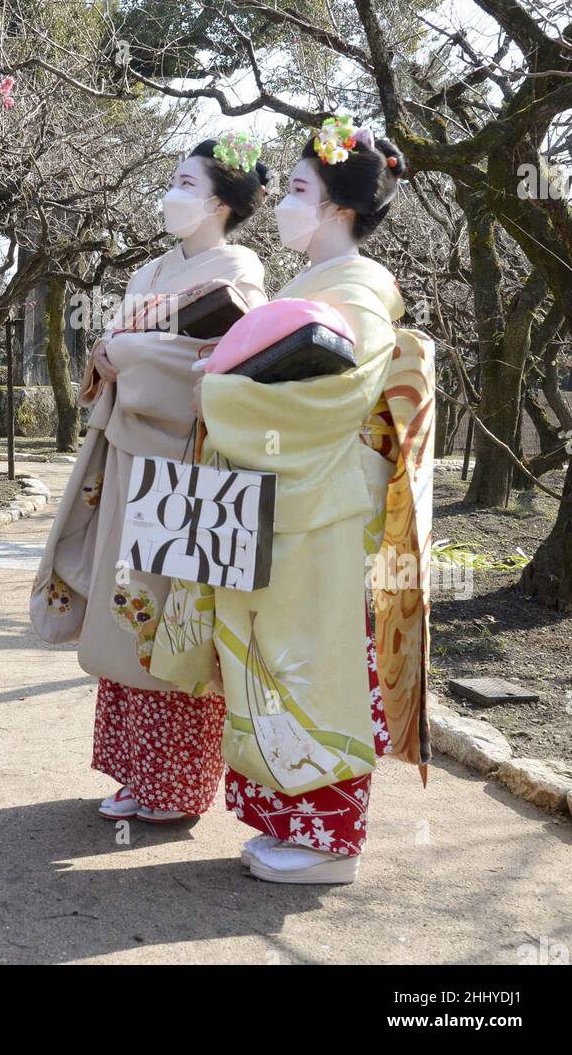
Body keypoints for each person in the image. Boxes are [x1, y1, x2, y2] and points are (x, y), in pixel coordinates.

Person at [151, 116, 435, 880]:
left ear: (339, 209)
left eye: (300, 189)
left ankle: (328, 841)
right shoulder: (316, 282)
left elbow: (328, 404)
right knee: (266, 659)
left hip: (316, 506)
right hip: (279, 502)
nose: (284, 202)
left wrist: (222, 388)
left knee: (312, 665)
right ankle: (289, 823)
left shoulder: (359, 290)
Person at [30, 135, 268, 823]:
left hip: (185, 466)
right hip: (128, 455)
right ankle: (136, 773)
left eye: (185, 182)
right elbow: (119, 352)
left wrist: (128, 352)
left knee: (170, 614)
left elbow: (222, 362)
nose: (171, 191)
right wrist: (115, 353)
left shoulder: (239, 272)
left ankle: (175, 788)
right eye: (171, 177)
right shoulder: (150, 272)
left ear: (220, 201)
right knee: (120, 610)